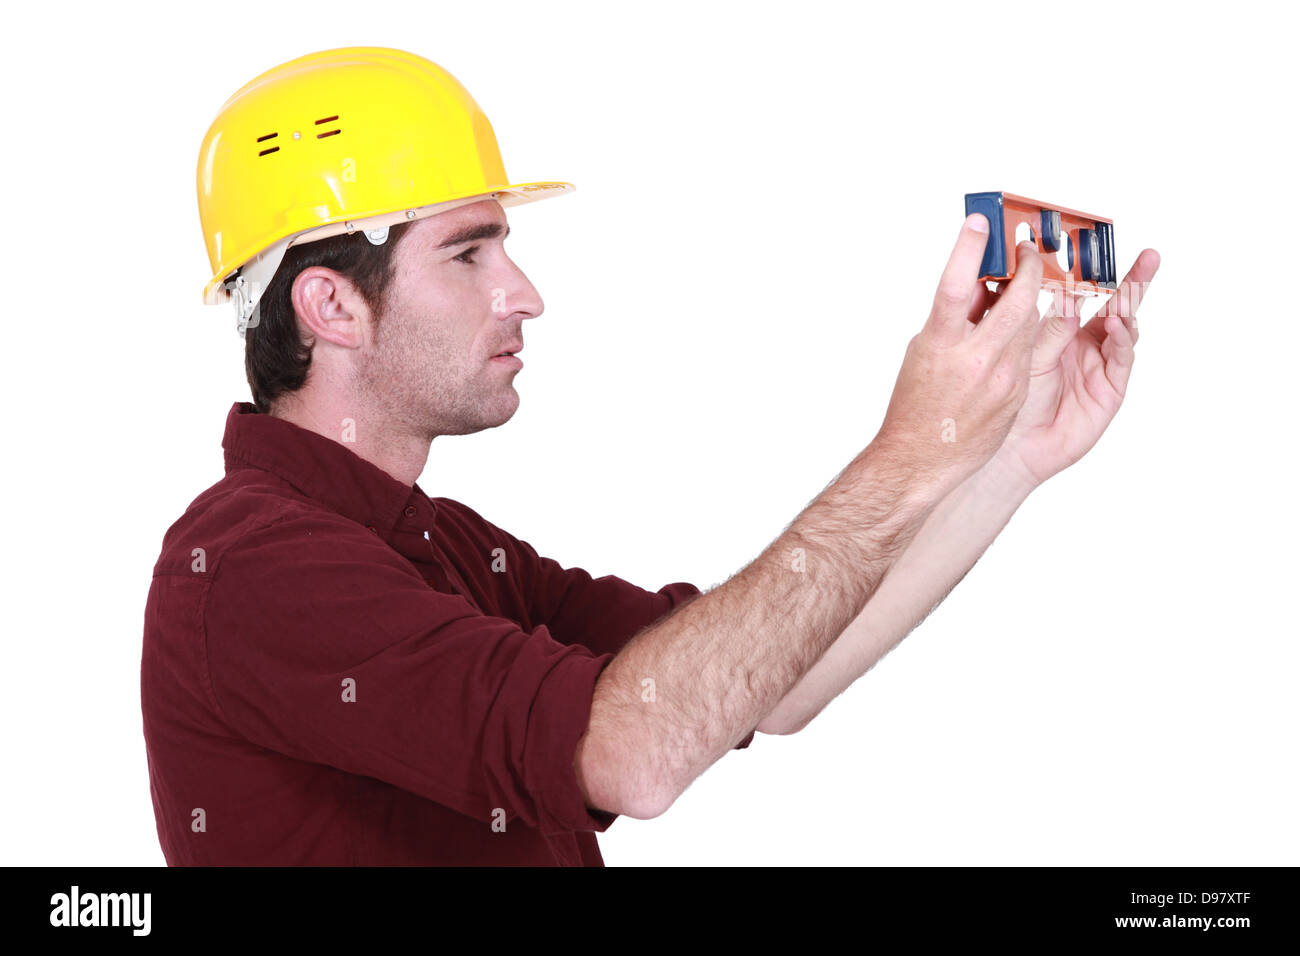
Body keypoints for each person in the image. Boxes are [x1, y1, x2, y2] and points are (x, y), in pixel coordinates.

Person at [142, 46, 1160, 866]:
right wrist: (904, 450)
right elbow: (632, 757)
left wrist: (999, 457)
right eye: (468, 250)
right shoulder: (254, 569)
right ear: (330, 304)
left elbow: (767, 681)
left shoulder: (441, 545)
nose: (523, 292)